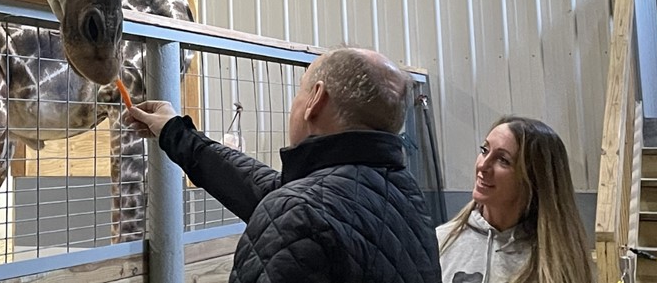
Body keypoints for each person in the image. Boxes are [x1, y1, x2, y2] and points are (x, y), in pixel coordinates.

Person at [126, 47, 441, 283]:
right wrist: (174, 131)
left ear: (316, 99)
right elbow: (265, 188)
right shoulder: (405, 196)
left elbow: (289, 208)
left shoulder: (301, 211)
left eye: (300, 90)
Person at [437, 116, 593, 283]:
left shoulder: (559, 261)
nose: (483, 166)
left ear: (533, 180)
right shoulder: (441, 242)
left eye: (502, 160)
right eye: (484, 150)